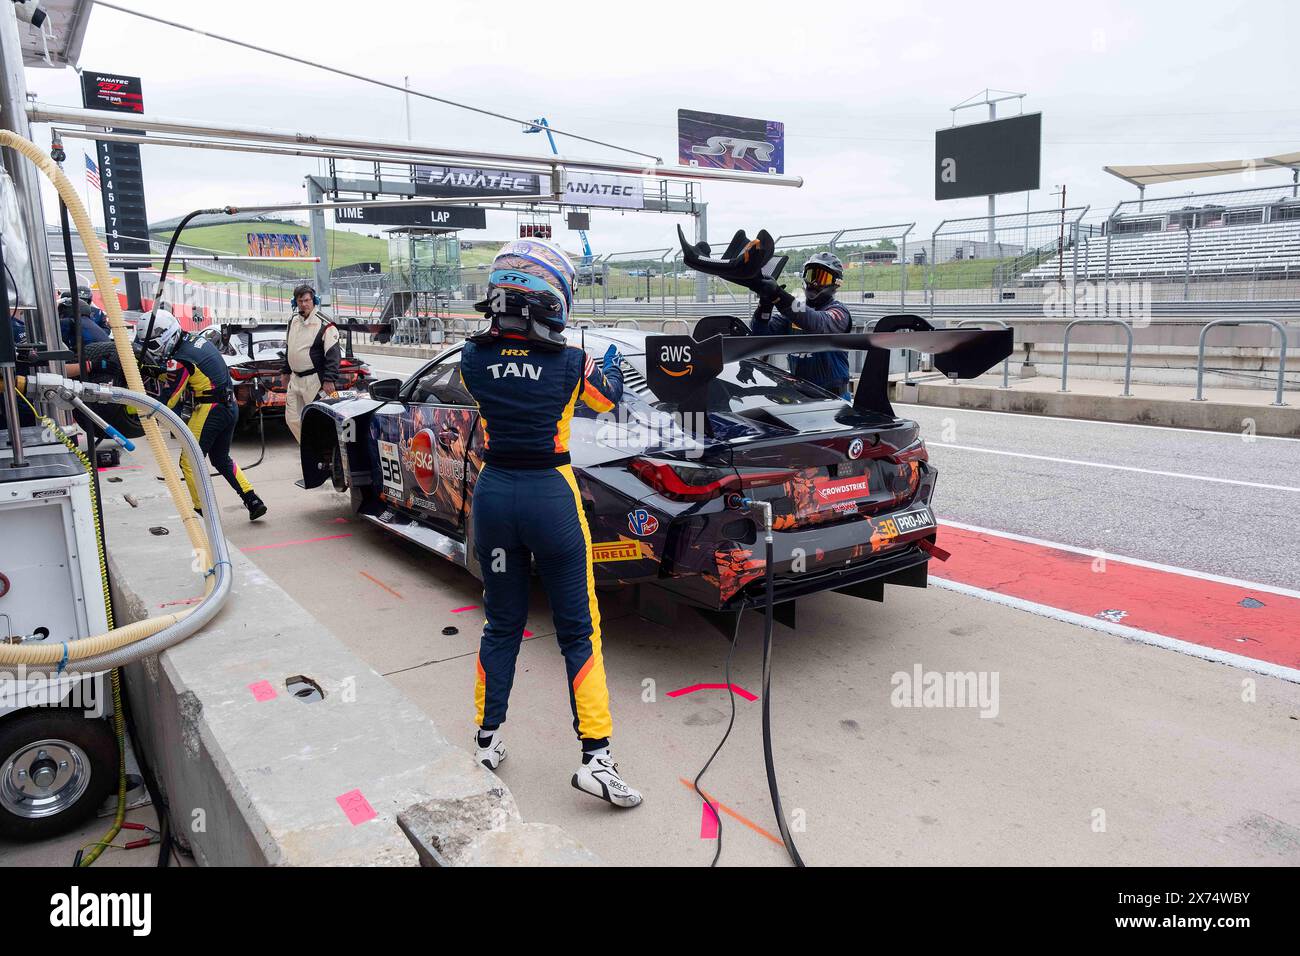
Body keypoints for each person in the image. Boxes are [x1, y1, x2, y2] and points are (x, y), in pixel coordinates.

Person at [459, 238, 642, 809]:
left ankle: (487, 741)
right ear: (553, 299)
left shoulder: (471, 358)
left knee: (500, 623)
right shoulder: (572, 363)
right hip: (550, 497)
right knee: (578, 630)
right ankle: (596, 757)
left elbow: (495, 378)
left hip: (493, 499)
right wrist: (607, 372)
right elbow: (609, 401)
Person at [135, 309, 267, 521]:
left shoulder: (182, 359)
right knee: (221, 459)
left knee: (188, 461)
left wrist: (138, 405)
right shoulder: (193, 339)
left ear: (166, 337)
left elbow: (168, 401)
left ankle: (201, 511)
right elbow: (186, 371)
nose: (152, 350)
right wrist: (154, 371)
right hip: (229, 406)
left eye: (152, 345)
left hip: (211, 409)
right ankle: (252, 499)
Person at [750, 251, 855, 398]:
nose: (814, 283)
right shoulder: (793, 314)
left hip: (834, 399)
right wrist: (765, 304)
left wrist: (778, 295)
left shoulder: (839, 312)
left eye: (822, 278)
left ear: (836, 283)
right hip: (800, 398)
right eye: (811, 275)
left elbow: (816, 323)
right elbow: (759, 336)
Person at [283, 283, 340, 443]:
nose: (304, 304)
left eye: (307, 300)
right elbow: (290, 348)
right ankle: (309, 450)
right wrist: (285, 371)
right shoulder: (292, 321)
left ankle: (322, 454)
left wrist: (329, 380)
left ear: (314, 300)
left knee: (317, 420)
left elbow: (333, 355)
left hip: (314, 381)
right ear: (295, 302)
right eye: (300, 301)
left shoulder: (325, 324)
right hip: (295, 379)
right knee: (292, 418)